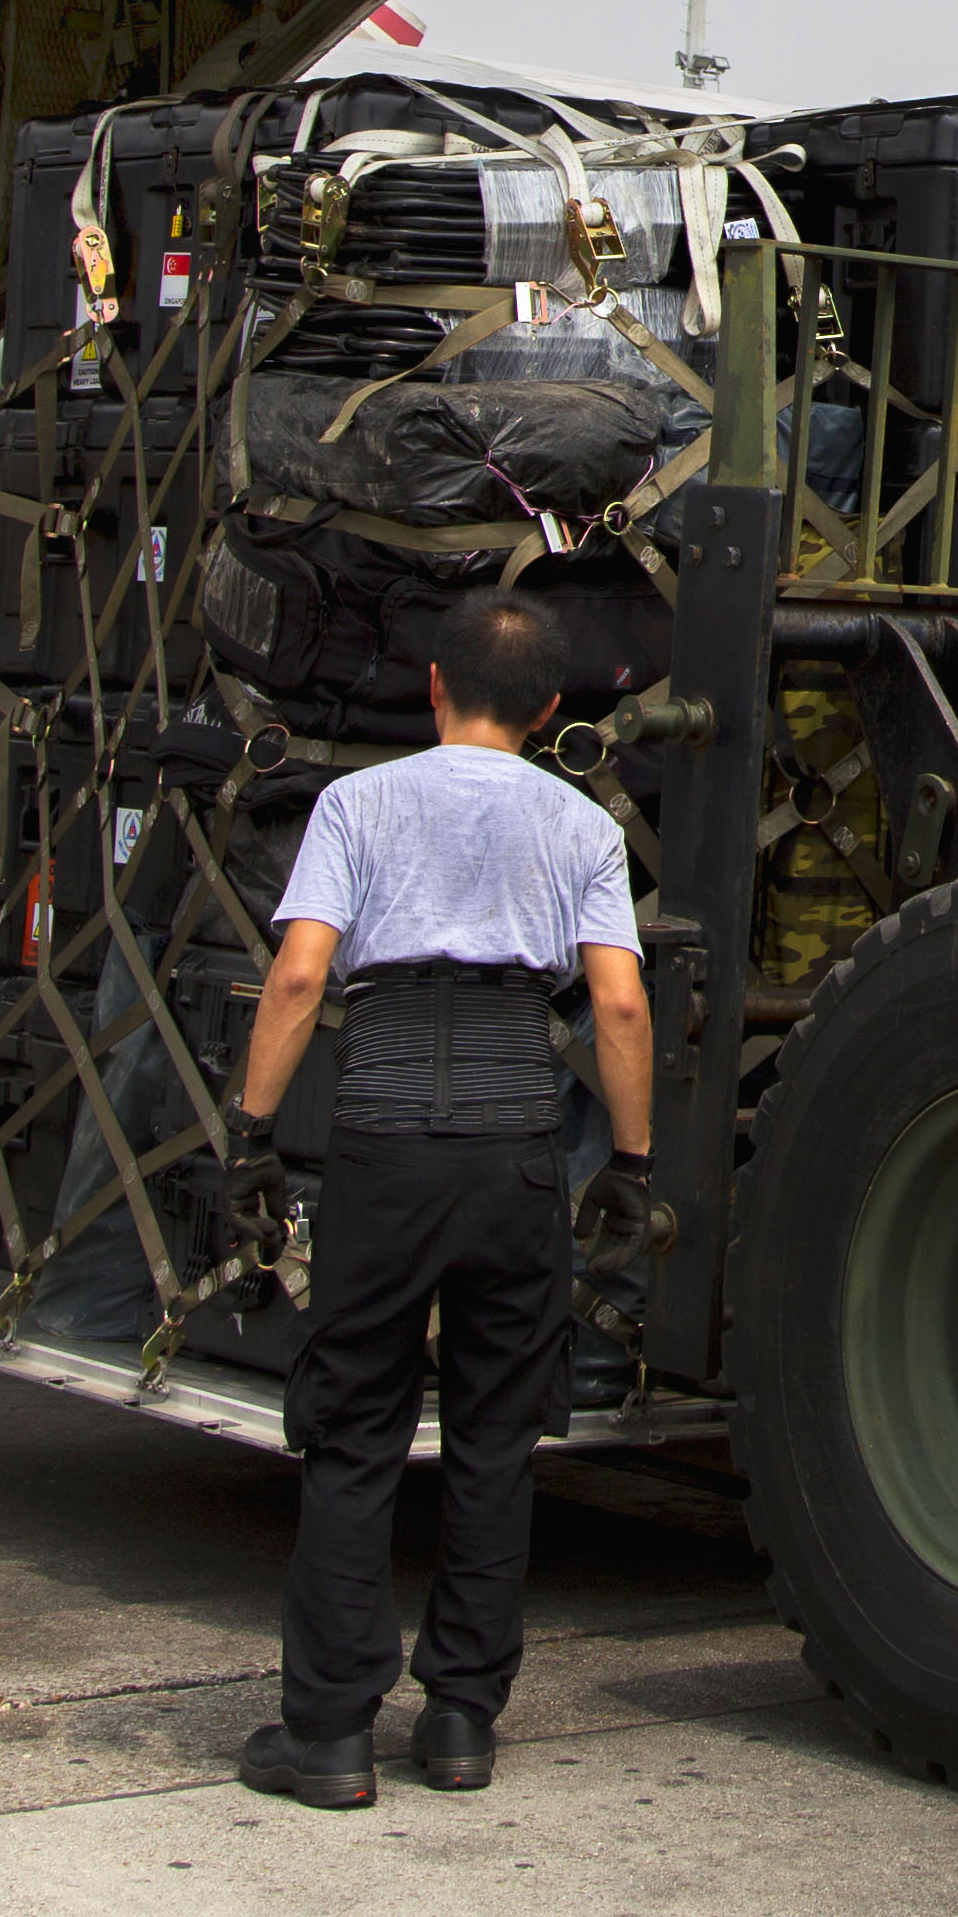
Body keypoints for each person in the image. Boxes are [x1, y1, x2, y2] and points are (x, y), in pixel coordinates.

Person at [225, 589, 654, 1812]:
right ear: (554, 708)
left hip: (386, 1146)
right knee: (494, 1438)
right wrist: (627, 1165)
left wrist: (250, 1137)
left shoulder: (358, 805)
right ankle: (462, 1718)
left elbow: (302, 974)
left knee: (353, 1430)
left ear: (431, 686)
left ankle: (331, 1733)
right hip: (516, 1151)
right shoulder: (580, 825)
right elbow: (618, 1004)